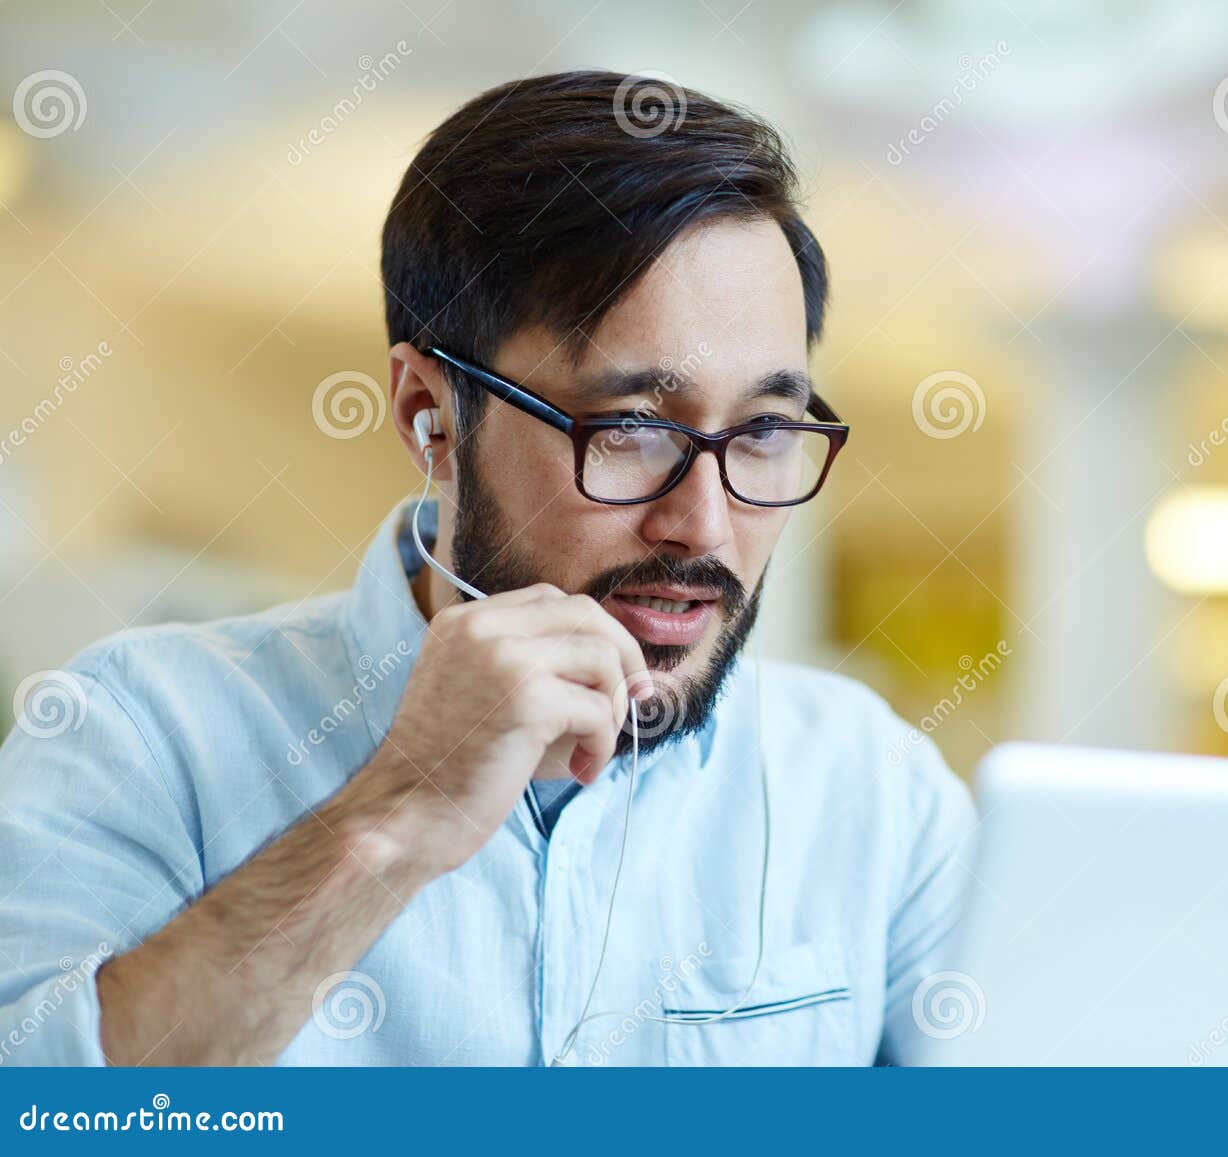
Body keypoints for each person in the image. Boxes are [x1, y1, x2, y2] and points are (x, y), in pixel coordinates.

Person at [0, 71, 974, 1066]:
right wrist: (394, 814)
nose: (705, 524)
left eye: (764, 430)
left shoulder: (875, 788)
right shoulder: (139, 727)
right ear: (431, 412)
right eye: (632, 427)